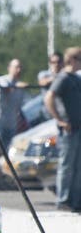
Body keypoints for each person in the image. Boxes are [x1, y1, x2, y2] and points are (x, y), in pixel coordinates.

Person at [44, 47, 81, 211]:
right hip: (68, 129)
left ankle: (76, 200)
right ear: (72, 60)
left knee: (78, 167)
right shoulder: (63, 78)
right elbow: (49, 98)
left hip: (78, 128)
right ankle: (63, 200)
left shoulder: (76, 78)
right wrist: (59, 120)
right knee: (66, 166)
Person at [0, 58, 27, 148]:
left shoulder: (21, 87)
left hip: (11, 125)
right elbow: (6, 88)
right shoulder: (2, 79)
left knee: (7, 150)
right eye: (16, 67)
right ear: (9, 68)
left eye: (20, 67)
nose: (19, 70)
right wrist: (16, 86)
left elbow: (18, 107)